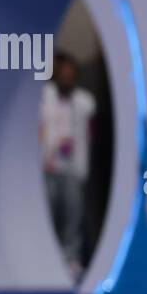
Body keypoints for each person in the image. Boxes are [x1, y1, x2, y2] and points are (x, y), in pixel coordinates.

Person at [39, 51, 96, 280]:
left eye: (70, 76)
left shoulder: (83, 102)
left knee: (73, 216)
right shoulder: (46, 97)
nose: (66, 79)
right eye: (62, 75)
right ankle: (45, 259)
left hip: (72, 169)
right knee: (48, 214)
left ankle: (71, 260)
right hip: (49, 166)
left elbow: (89, 131)